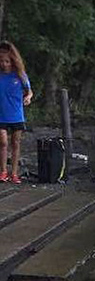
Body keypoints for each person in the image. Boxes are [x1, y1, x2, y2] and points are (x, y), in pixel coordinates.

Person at [0, 40, 33, 184]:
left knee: (16, 143)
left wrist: (28, 98)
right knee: (3, 142)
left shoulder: (20, 75)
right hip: (1, 114)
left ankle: (14, 173)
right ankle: (3, 171)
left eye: (7, 61)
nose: (4, 64)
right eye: (1, 61)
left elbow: (29, 91)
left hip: (16, 114)